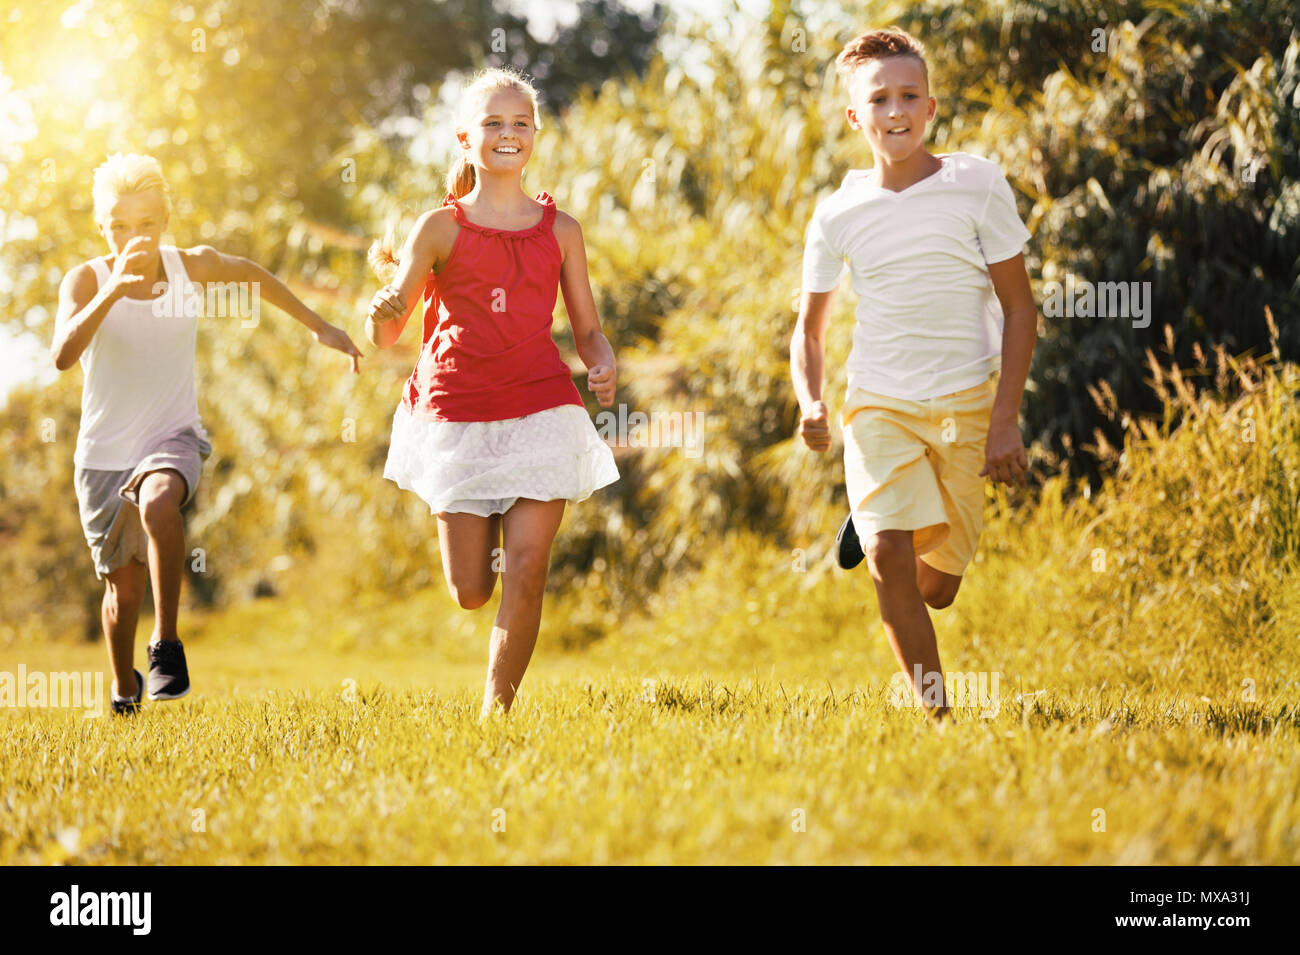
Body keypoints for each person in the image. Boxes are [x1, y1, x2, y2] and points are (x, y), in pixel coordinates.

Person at [51, 152, 364, 715]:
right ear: (102, 227)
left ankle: (166, 643)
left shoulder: (187, 267)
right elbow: (62, 355)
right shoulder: (86, 280)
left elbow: (251, 275)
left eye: (146, 224)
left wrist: (321, 327)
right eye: (120, 226)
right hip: (102, 458)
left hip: (173, 438)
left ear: (164, 221)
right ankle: (125, 685)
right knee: (121, 592)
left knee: (159, 502)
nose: (134, 236)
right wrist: (115, 289)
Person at [790, 28, 1038, 725]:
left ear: (930, 107)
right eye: (879, 99)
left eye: (907, 96)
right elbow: (808, 330)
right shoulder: (838, 211)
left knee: (938, 587)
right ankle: (940, 720)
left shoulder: (976, 184)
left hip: (965, 404)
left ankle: (872, 522)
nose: (894, 111)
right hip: (878, 405)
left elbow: (1020, 308)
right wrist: (811, 398)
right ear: (854, 118)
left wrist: (1004, 417)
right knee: (889, 557)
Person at [366, 68, 620, 717]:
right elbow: (390, 332)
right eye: (493, 123)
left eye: (520, 124)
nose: (508, 134)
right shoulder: (439, 229)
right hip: (457, 411)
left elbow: (587, 329)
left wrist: (601, 361)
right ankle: (481, 620)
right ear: (464, 138)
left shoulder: (562, 232)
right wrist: (381, 305)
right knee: (472, 589)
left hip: (542, 403)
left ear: (534, 134)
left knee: (529, 564)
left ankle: (495, 713)